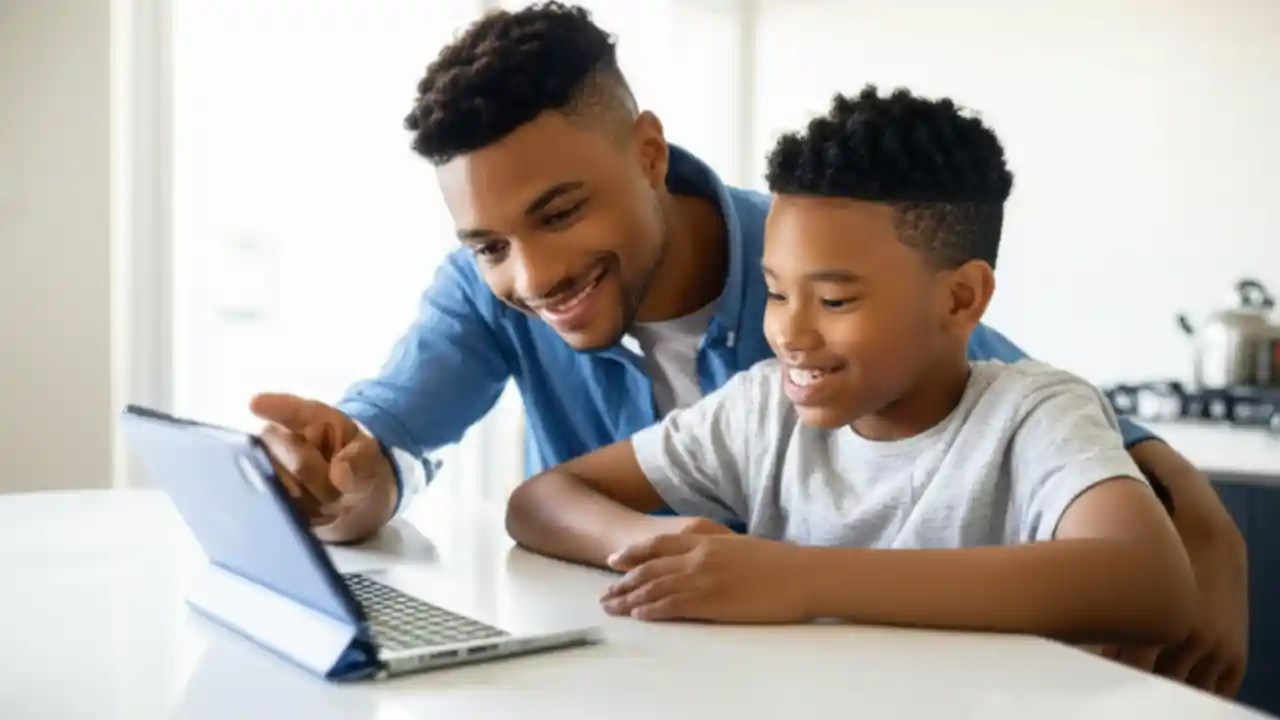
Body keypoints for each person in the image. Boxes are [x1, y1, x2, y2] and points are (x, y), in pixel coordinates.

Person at [248, 1, 1246, 694]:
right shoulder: (749, 387)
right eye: (490, 244)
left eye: (558, 213)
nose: (530, 274)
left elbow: (1031, 403)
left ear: (644, 154)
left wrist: (1209, 532)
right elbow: (398, 450)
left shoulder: (822, 245)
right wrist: (348, 484)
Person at [506, 85, 1198, 647]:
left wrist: (802, 579)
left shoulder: (1034, 416)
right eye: (776, 291)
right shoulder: (762, 412)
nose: (789, 332)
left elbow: (1152, 584)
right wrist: (652, 536)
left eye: (835, 299)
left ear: (961, 299)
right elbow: (539, 500)